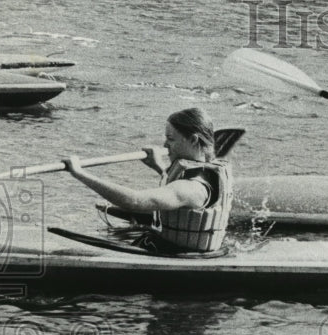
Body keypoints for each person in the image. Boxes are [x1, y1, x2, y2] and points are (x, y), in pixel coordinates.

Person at [63, 107, 233, 253]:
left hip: (177, 255)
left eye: (171, 139)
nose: (165, 145)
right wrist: (159, 167)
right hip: (175, 247)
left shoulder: (192, 188)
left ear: (193, 140)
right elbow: (179, 193)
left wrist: (79, 173)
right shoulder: (205, 170)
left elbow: (135, 201)